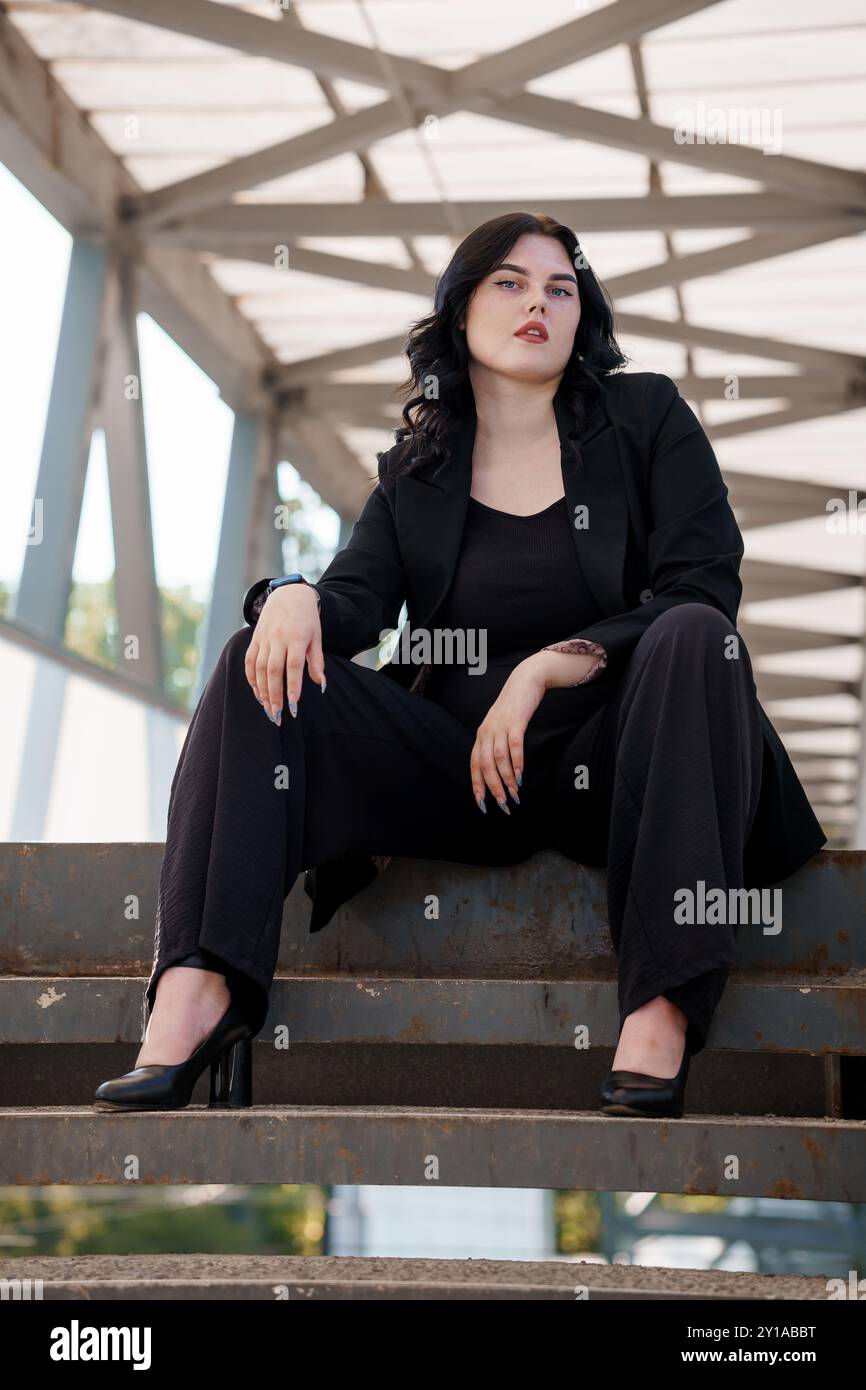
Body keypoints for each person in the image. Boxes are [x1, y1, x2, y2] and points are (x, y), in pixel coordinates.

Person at [94, 211, 826, 1119]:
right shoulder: (420, 468)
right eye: (510, 284)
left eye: (561, 289)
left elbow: (704, 585)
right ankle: (199, 987)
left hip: (625, 767)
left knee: (696, 635)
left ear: (583, 315)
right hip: (465, 771)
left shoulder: (647, 418)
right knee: (258, 661)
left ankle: (662, 1007)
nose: (538, 304)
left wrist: (545, 668)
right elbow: (354, 604)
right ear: (461, 310)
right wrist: (288, 594)